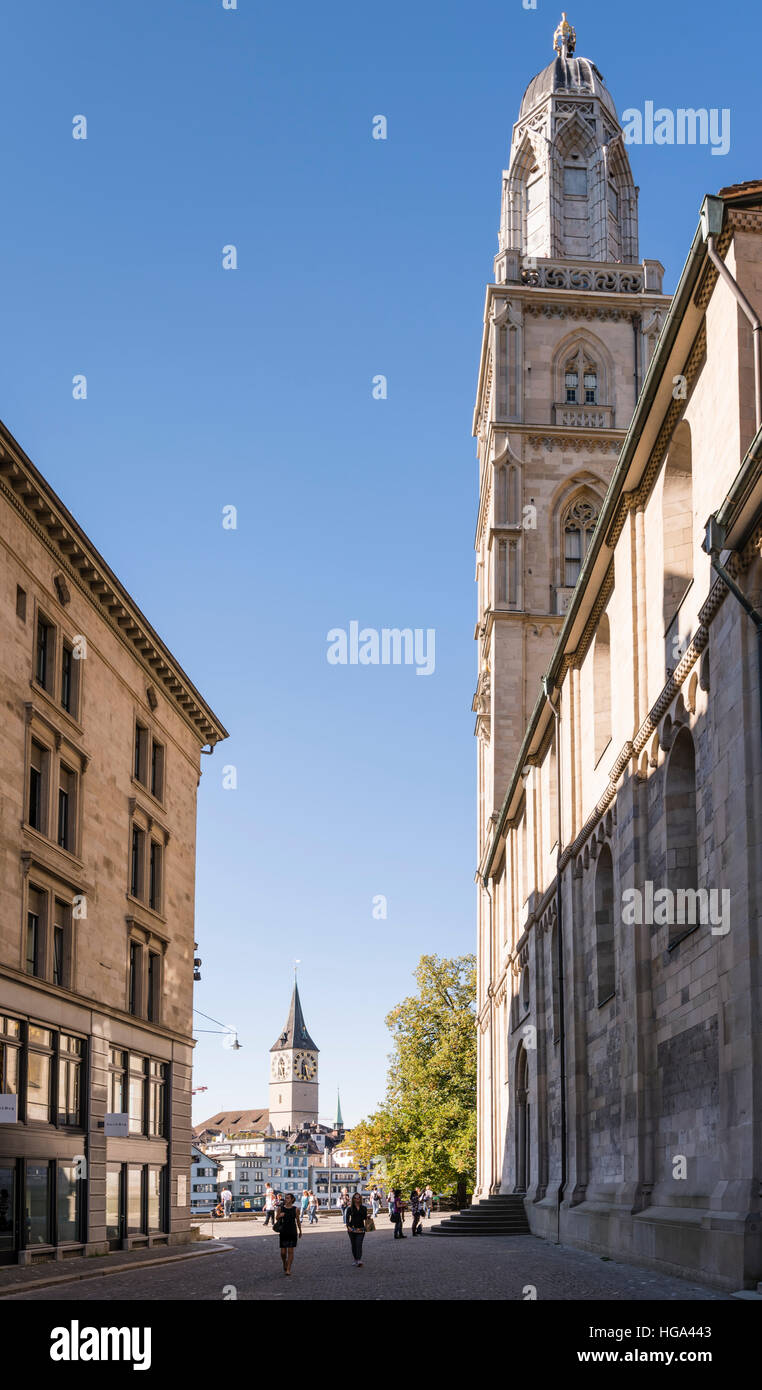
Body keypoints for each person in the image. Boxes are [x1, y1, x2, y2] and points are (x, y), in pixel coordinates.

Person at [276, 1192, 301, 1276]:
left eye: (288, 1198)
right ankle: (284, 1263)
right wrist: (280, 1215)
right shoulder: (281, 1208)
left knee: (290, 1251)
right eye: (285, 1198)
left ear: (292, 1199)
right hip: (283, 1231)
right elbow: (276, 1218)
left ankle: (288, 1269)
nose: (286, 1199)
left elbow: (297, 1221)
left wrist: (300, 1231)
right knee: (283, 1253)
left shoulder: (296, 1209)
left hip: (292, 1231)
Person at [346, 1191, 369, 1266]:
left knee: (359, 1244)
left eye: (359, 1197)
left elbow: (364, 1218)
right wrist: (348, 1227)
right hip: (352, 1229)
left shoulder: (364, 1208)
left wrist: (368, 1217)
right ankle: (355, 1259)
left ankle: (359, 1259)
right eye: (355, 1197)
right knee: (354, 1245)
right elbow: (347, 1219)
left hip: (361, 1228)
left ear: (360, 1198)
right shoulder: (350, 1208)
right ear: (353, 1199)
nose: (357, 1199)